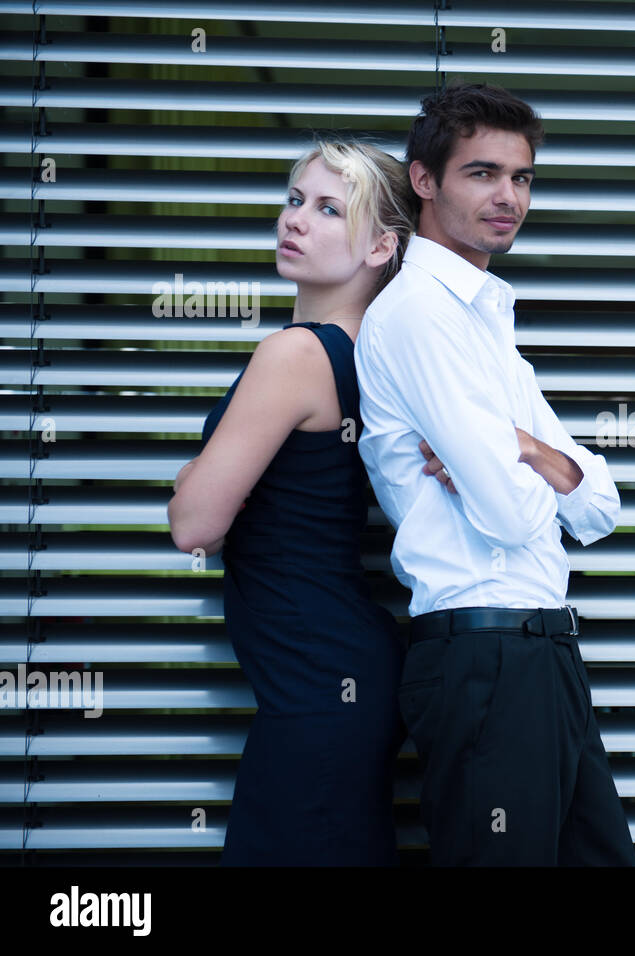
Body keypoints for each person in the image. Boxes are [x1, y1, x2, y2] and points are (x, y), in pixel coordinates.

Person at [354, 81, 635, 866]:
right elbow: (517, 519)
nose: (507, 196)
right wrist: (535, 469)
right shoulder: (419, 314)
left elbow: (600, 508)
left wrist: (523, 448)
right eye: (482, 174)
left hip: (542, 654)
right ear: (424, 180)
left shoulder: (489, 326)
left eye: (521, 177)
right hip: (486, 654)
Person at [168, 139, 417, 865]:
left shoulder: (295, 354)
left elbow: (195, 523)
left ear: (381, 247)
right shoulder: (375, 354)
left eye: (330, 209)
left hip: (316, 683)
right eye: (295, 200)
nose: (297, 220)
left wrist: (191, 476)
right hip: (338, 670)